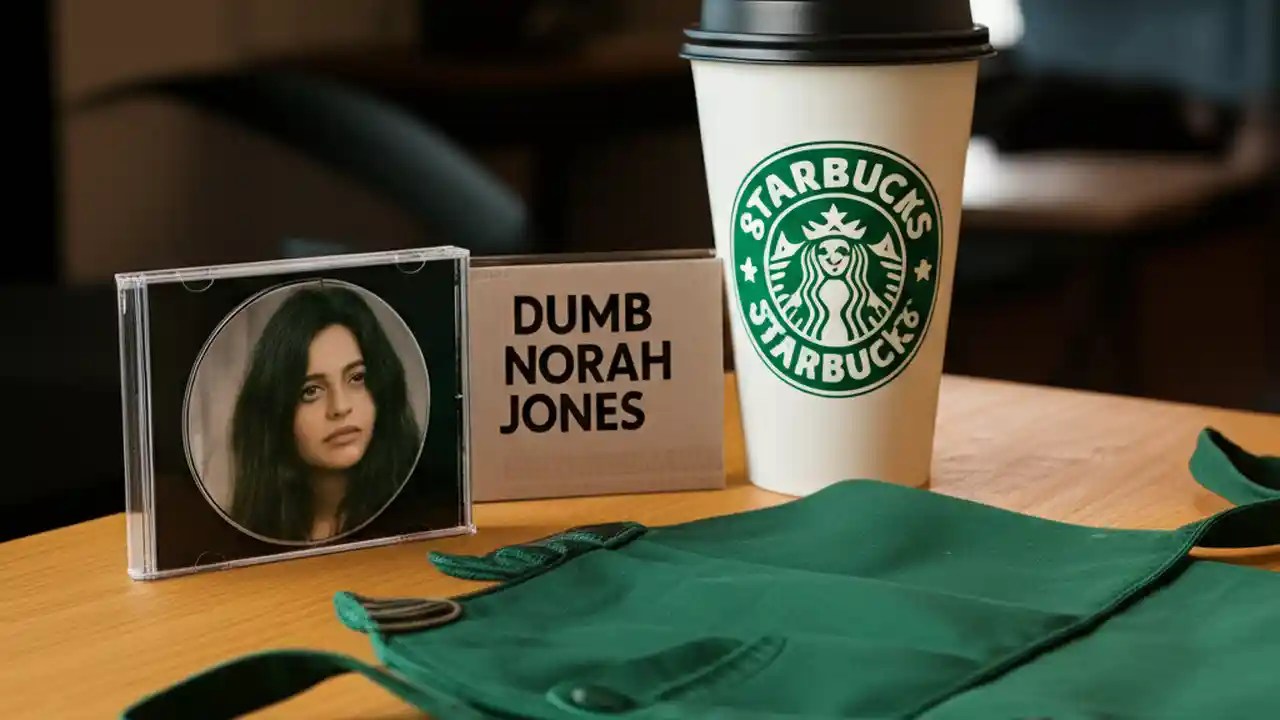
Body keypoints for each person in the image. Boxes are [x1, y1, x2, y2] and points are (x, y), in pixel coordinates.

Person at [228, 283, 422, 543]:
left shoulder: (424, 515)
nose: (340, 407)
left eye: (356, 378)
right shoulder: (254, 531)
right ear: (276, 412)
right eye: (311, 391)